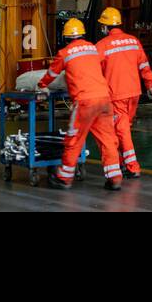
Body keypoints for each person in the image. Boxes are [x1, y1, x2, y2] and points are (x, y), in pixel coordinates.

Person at [37, 18, 123, 191]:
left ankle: (64, 178)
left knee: (74, 138)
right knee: (107, 140)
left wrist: (42, 85)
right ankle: (114, 178)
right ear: (82, 34)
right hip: (105, 99)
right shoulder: (92, 48)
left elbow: (52, 73)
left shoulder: (65, 52)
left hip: (85, 102)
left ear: (66, 37)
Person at [94, 7, 152, 178]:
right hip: (134, 93)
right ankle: (121, 162)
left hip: (116, 95)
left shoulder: (102, 46)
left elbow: (92, 70)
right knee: (122, 128)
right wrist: (149, 85)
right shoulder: (133, 41)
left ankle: (132, 166)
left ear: (106, 27)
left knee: (121, 130)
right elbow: (143, 64)